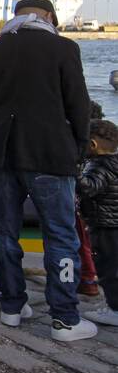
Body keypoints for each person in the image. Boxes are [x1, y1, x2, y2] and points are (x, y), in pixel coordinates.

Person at [0, 0, 95, 341]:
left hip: (3, 157)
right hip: (51, 156)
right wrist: (80, 148)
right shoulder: (63, 49)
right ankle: (65, 317)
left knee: (3, 234)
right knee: (61, 237)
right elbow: (79, 104)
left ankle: (11, 305)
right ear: (48, 16)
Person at [77, 119, 118, 326]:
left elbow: (90, 187)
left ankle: (114, 309)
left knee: (107, 269)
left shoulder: (101, 166)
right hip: (114, 223)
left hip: (105, 225)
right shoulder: (115, 162)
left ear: (92, 145)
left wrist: (74, 173)